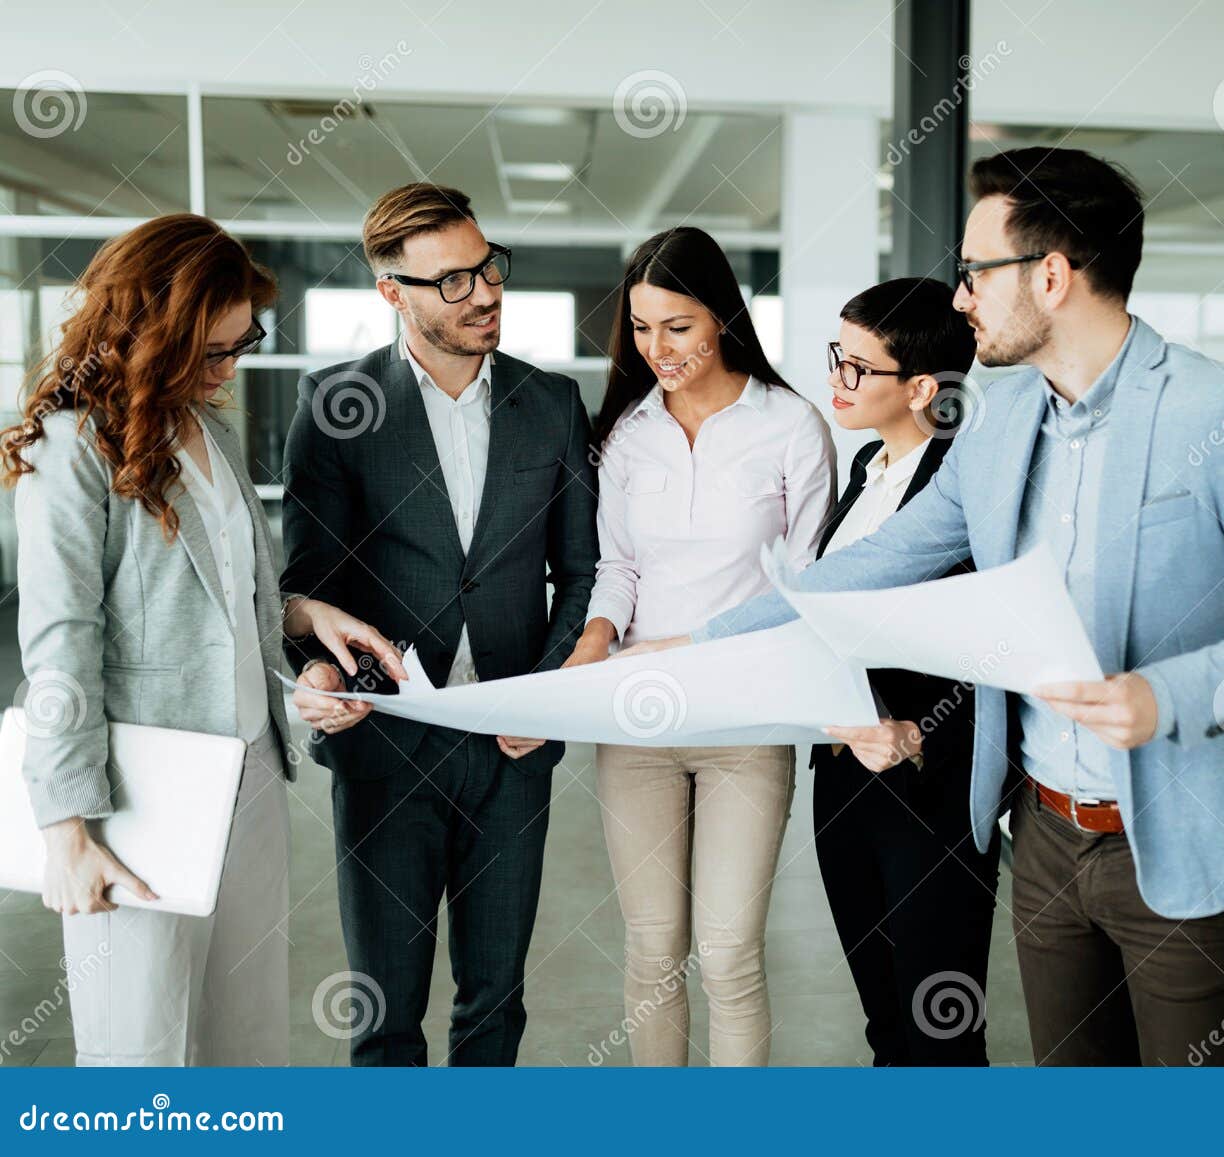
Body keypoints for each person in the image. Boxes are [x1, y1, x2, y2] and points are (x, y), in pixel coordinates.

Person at [625, 147, 1224, 1066]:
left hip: (1188, 845)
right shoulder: (997, 417)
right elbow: (877, 562)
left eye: (976, 272)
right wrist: (695, 643)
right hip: (1045, 837)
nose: (959, 297)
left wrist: (1170, 694)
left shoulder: (1220, 410)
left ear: (1053, 276)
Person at [1, 214, 396, 1066]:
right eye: (211, 352)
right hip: (136, 792)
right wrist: (66, 829)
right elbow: (60, 647)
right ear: (150, 331)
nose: (227, 370)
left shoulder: (207, 430)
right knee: (140, 1046)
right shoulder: (72, 450)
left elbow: (223, 596)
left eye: (238, 346)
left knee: (246, 1032)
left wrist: (300, 620)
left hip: (247, 773)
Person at [281, 184, 599, 1066]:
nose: (486, 293)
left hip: (514, 746)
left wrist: (546, 697)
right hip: (386, 742)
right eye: (452, 282)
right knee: (384, 1013)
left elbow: (579, 572)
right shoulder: (336, 406)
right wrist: (317, 670)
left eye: (489, 267)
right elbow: (307, 582)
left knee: (496, 1003)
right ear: (393, 294)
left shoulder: (553, 404)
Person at [565, 226, 835, 1066]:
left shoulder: (790, 425)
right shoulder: (626, 432)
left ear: (722, 316)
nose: (657, 349)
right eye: (641, 329)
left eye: (676, 327)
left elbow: (809, 591)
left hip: (746, 724)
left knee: (726, 953)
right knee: (651, 953)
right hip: (637, 719)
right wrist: (595, 638)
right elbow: (617, 567)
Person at [810, 277, 999, 1065]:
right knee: (885, 1019)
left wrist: (921, 732)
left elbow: (999, 642)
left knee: (942, 1032)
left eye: (859, 367)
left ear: (922, 387)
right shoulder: (863, 468)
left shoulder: (969, 484)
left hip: (930, 792)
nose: (837, 380)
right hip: (843, 779)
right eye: (837, 357)